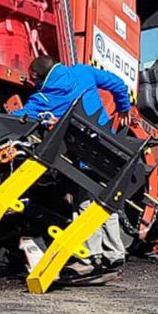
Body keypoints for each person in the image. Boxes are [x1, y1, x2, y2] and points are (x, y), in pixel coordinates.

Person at [12, 54, 132, 282]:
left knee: (86, 204)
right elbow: (117, 84)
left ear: (37, 77)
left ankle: (91, 259)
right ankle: (114, 255)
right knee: (107, 201)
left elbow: (19, 119)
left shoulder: (44, 99)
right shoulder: (83, 72)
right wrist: (123, 108)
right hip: (111, 149)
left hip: (87, 159)